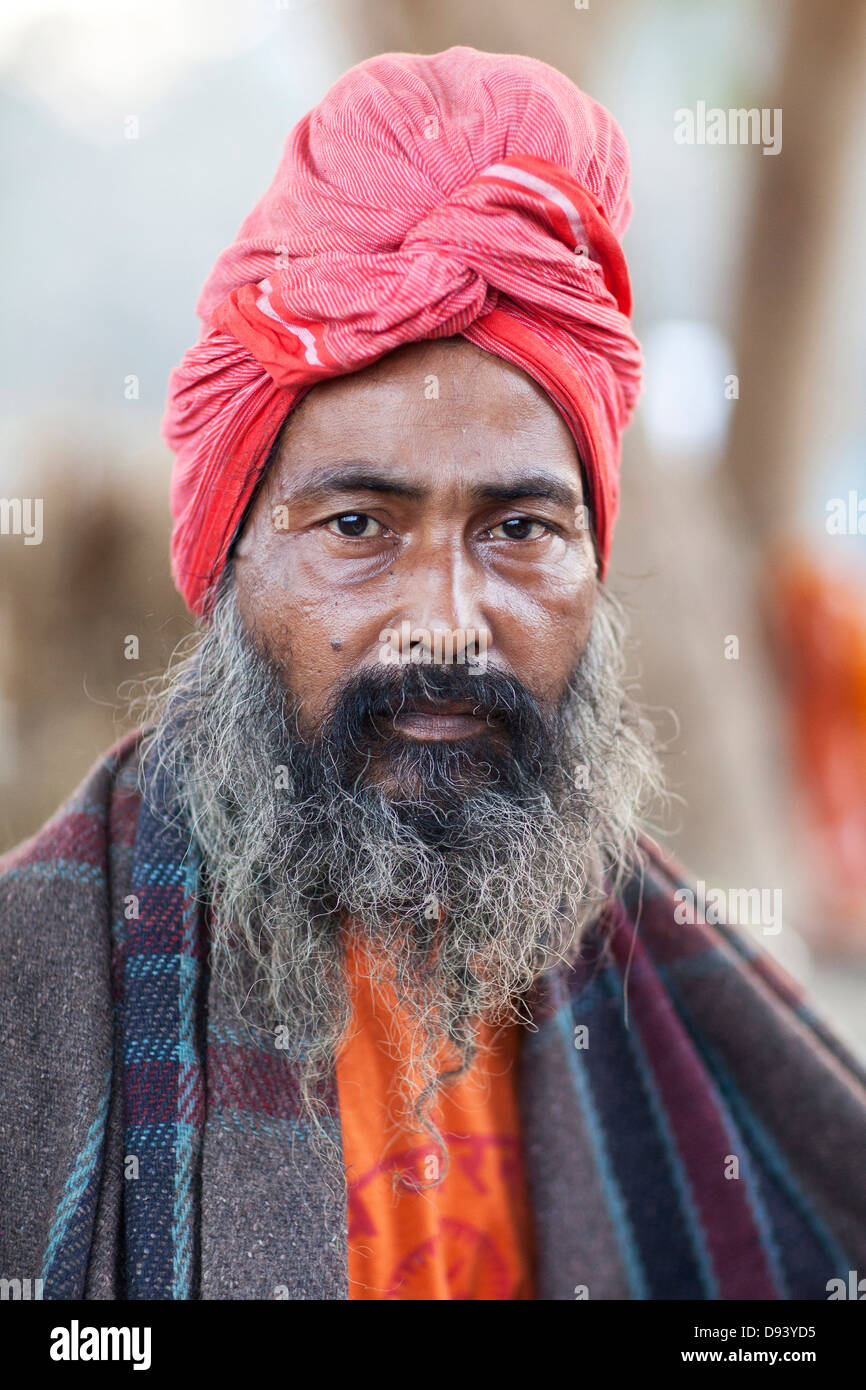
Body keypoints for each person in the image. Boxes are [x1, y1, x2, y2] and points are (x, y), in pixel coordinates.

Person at [1, 47, 864, 1302]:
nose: (447, 627)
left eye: (519, 530)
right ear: (231, 560)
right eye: (358, 527)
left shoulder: (685, 993)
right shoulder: (31, 1000)